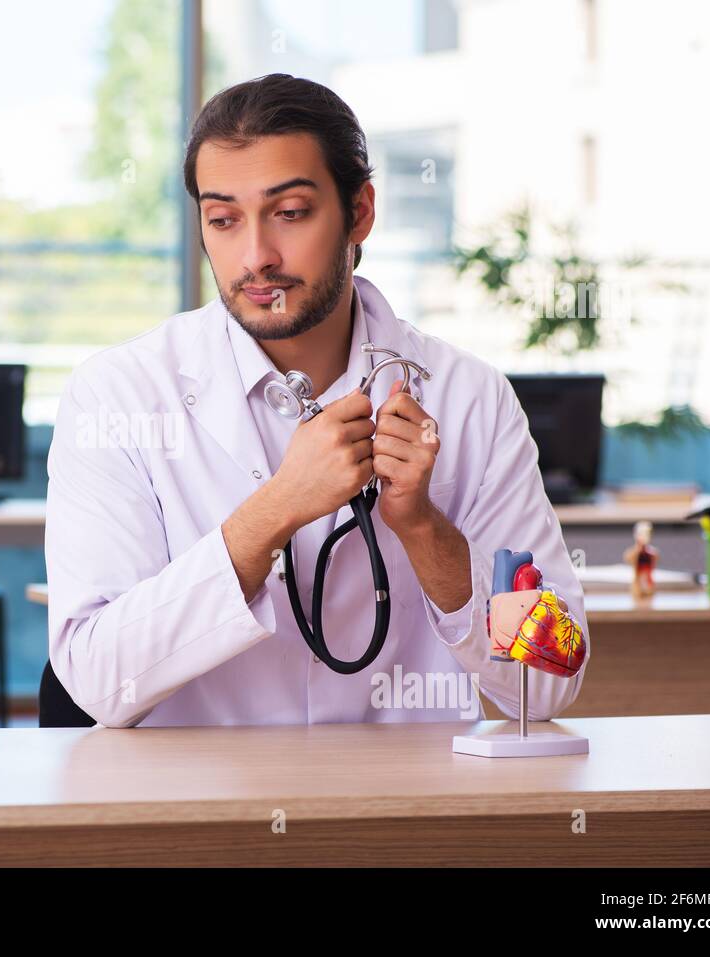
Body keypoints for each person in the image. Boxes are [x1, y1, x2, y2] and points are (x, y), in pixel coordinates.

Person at [44, 74, 588, 727]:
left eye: (291, 213)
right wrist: (277, 508)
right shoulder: (120, 395)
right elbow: (98, 682)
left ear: (360, 211)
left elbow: (549, 682)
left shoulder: (470, 399)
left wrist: (421, 527)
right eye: (223, 220)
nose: (256, 256)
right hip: (196, 816)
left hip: (403, 816)